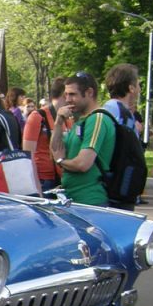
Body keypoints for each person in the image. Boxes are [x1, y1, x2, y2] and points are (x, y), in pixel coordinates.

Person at [49, 71, 116, 207]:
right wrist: (58, 122)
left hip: (91, 201)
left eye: (72, 94)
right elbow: (54, 150)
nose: (67, 100)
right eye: (66, 95)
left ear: (90, 92)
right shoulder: (80, 121)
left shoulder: (97, 119)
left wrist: (60, 161)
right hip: (74, 200)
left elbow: (82, 164)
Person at [103, 63, 148, 204]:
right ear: (131, 88)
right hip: (117, 185)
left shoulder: (113, 109)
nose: (140, 90)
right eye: (138, 85)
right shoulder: (121, 114)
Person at [23, 77, 65, 192]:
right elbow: (27, 154)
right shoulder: (37, 116)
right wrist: (36, 188)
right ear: (65, 94)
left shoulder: (68, 117)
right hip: (44, 180)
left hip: (63, 178)